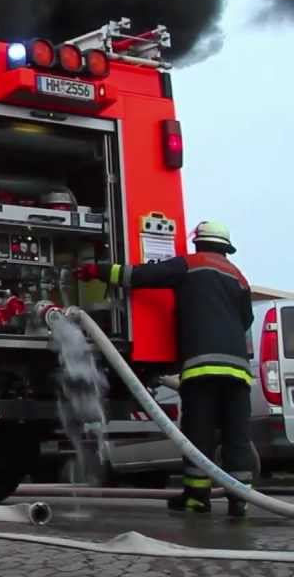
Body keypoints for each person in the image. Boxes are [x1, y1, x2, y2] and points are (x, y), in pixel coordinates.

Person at [79, 220, 254, 517]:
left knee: (199, 433)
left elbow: (140, 275)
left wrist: (99, 270)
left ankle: (197, 498)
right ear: (226, 248)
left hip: (202, 369)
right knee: (237, 434)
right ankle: (241, 500)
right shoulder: (239, 277)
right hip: (238, 371)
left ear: (198, 242)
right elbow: (246, 319)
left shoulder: (190, 264)